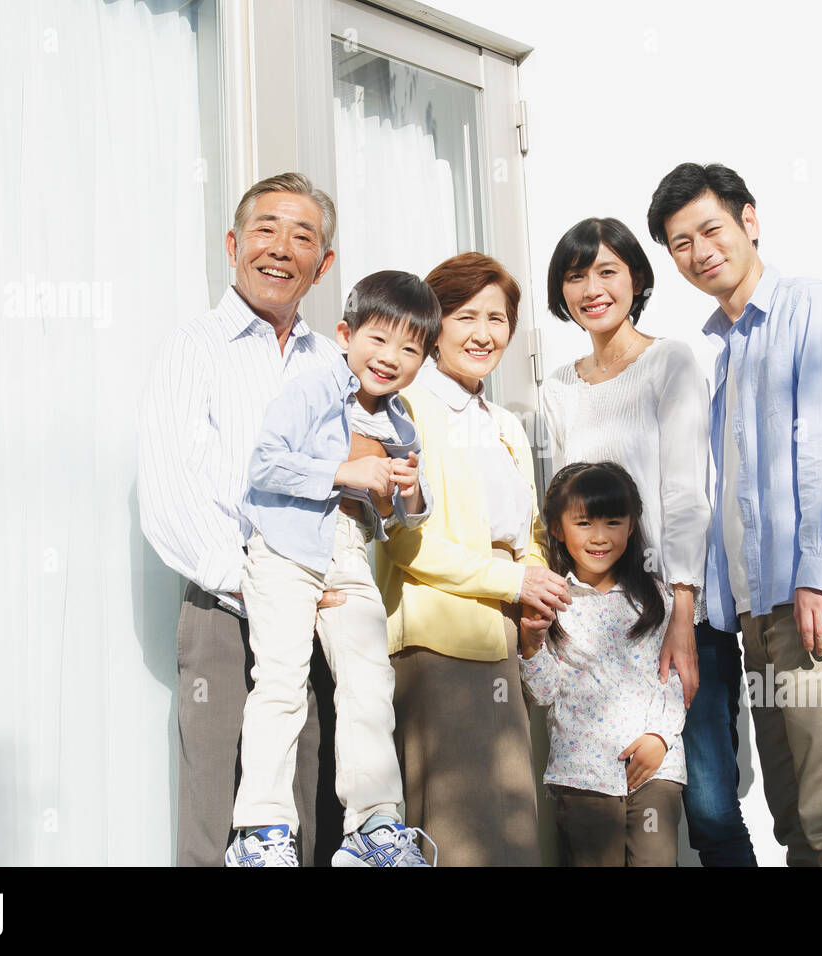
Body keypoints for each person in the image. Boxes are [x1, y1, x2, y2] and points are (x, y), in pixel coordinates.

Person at [647, 162, 822, 866]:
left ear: (749, 221)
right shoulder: (727, 353)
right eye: (680, 243)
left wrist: (821, 574)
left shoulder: (808, 308)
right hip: (765, 615)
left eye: (711, 230)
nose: (699, 252)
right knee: (793, 818)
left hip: (818, 598)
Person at [138, 172, 343, 867]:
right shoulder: (193, 349)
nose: (281, 248)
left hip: (315, 612)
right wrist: (256, 587)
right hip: (227, 610)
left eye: (303, 235)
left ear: (325, 263)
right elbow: (169, 499)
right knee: (217, 816)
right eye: (266, 229)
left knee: (308, 805)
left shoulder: (335, 364)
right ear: (233, 244)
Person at [539, 217, 756, 866]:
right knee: (615, 808)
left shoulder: (670, 362)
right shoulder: (557, 388)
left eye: (607, 271)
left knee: (711, 807)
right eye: (576, 276)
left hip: (680, 613)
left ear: (636, 279)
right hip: (596, 623)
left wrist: (684, 615)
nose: (592, 288)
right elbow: (554, 509)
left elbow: (688, 495)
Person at [225, 271, 441, 867]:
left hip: (348, 555)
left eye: (410, 349)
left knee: (371, 684)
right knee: (281, 684)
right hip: (287, 548)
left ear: (423, 360)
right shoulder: (313, 389)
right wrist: (344, 474)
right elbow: (265, 466)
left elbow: (401, 521)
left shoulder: (401, 426)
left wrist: (411, 494)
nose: (391, 358)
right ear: (346, 335)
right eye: (379, 339)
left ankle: (372, 830)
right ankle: (261, 835)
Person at [374, 252, 571, 867]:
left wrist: (534, 597)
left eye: (498, 318)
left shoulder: (506, 424)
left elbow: (528, 531)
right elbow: (407, 540)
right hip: (437, 642)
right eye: (466, 316)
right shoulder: (407, 409)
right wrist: (514, 580)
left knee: (509, 828)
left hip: (503, 639)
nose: (483, 333)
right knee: (459, 835)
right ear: (434, 323)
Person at [518, 462, 685, 867]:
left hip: (656, 770)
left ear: (631, 527)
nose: (599, 537)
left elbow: (675, 678)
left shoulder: (657, 600)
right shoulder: (552, 600)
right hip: (583, 775)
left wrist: (660, 738)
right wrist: (532, 644)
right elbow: (543, 693)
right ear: (557, 529)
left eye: (613, 522)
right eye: (583, 523)